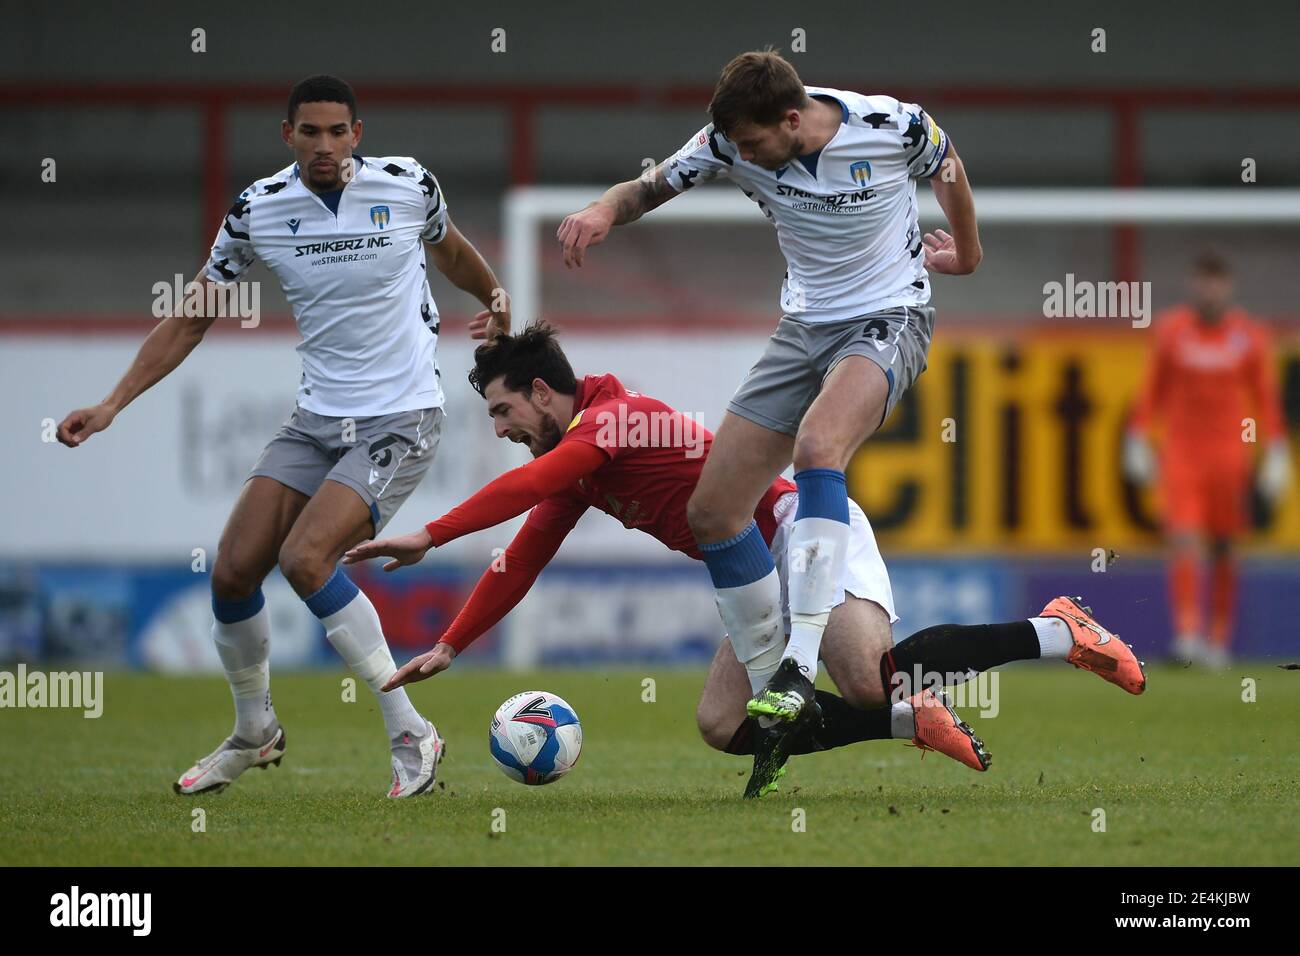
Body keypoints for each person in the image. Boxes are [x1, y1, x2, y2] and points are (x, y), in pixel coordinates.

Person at [344, 324, 1146, 798]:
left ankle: (1058, 630)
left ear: (545, 394)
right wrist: (452, 643)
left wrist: (431, 533)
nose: (501, 427)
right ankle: (908, 720)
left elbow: (533, 480)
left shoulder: (619, 421)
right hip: (747, 569)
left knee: (868, 676)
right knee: (724, 725)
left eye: (503, 410)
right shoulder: (584, 466)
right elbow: (518, 562)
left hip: (800, 529)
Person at [56, 75, 510, 798]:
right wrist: (114, 403)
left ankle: (409, 730)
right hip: (315, 419)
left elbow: (449, 249)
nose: (324, 145)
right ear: (287, 136)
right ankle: (255, 731)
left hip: (402, 414)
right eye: (310, 133)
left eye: (338, 132)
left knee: (306, 558)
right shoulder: (259, 210)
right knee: (234, 570)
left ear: (357, 134)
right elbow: (193, 313)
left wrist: (494, 300)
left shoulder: (407, 185)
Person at [554, 50, 982, 758]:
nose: (742, 157)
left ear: (792, 118)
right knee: (714, 510)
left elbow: (950, 167)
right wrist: (604, 209)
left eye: (753, 146)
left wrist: (965, 254)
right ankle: (767, 674)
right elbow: (650, 186)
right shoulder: (727, 139)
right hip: (803, 328)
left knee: (819, 447)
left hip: (888, 318)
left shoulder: (889, 124)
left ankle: (800, 665)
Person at [1125, 252, 1290, 668]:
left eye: (1216, 282)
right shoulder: (1171, 331)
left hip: (1230, 457)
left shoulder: (1249, 336)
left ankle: (1218, 641)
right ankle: (1186, 636)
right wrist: (1138, 436)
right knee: (1183, 538)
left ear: (1227, 286)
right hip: (1183, 454)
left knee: (1225, 547)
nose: (1209, 290)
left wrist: (1276, 449)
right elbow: (1152, 391)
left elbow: (1266, 398)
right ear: (1193, 284)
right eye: (1203, 281)